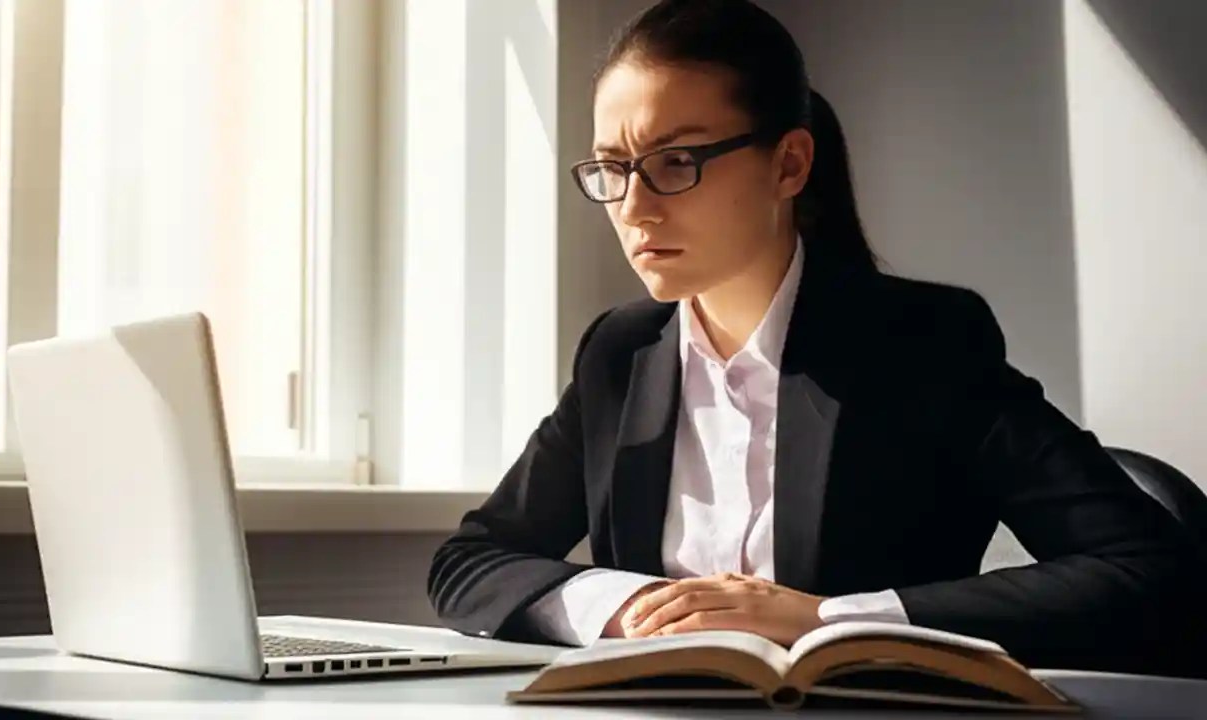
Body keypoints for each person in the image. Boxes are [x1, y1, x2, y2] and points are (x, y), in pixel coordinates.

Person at [427, 0, 1207, 678]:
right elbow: (470, 564)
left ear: (789, 163)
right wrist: (629, 606)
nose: (633, 206)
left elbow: (1147, 571)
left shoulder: (925, 343)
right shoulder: (620, 355)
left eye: (675, 162)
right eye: (611, 166)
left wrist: (826, 618)